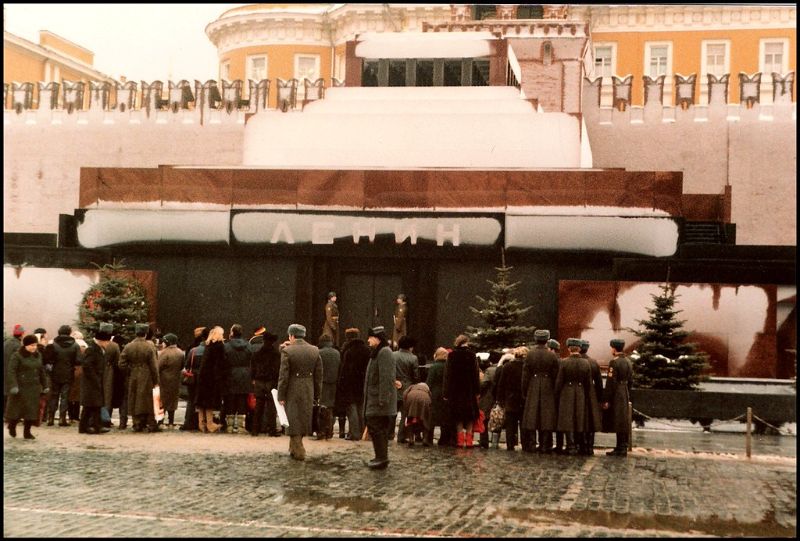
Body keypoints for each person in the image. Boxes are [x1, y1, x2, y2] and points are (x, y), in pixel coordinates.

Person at [277, 324, 323, 461]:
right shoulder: (315, 350)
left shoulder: (287, 351)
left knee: (293, 419)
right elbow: (319, 375)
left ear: (291, 336)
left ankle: (298, 451)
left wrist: (281, 395)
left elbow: (283, 375)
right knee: (302, 418)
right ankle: (293, 447)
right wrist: (317, 394)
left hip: (292, 389)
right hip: (308, 388)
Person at [363, 326, 398, 469]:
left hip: (379, 402)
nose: (368, 340)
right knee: (376, 429)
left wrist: (383, 399)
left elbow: (386, 377)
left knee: (377, 429)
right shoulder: (378, 352)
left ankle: (381, 458)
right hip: (375, 400)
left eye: (370, 337)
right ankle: (380, 457)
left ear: (377, 338)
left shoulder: (384, 352)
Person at [521, 330, 560, 453]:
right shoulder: (552, 355)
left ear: (536, 339)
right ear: (547, 340)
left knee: (532, 416)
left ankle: (532, 444)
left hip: (533, 385)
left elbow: (525, 375)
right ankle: (545, 445)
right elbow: (556, 375)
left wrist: (525, 390)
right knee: (546, 417)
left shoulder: (530, 354)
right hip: (548, 387)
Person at [120, 323, 161, 433]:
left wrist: (130, 371)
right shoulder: (149, 346)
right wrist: (156, 380)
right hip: (147, 375)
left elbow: (121, 364)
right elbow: (154, 365)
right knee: (147, 400)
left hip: (133, 375)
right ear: (146, 333)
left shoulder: (129, 346)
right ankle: (150, 423)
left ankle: (136, 423)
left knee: (134, 398)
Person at [6, 334, 48, 439]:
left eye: (35, 345)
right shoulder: (17, 356)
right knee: (16, 410)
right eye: (31, 345)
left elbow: (41, 371)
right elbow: (11, 371)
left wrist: (45, 384)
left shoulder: (38, 355)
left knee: (31, 411)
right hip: (20, 388)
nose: (34, 347)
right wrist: (13, 385)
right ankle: (12, 426)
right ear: (25, 345)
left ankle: (27, 432)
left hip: (33, 387)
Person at [555, 338, 592, 455]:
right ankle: (577, 445)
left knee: (567, 419)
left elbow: (559, 381)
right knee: (579, 418)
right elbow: (588, 383)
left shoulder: (564, 362)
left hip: (567, 393)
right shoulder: (586, 363)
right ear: (579, 348)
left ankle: (570, 445)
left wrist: (557, 394)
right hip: (580, 392)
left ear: (569, 348)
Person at [444, 335, 481, 448]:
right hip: (469, 390)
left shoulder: (452, 355)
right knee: (470, 416)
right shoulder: (471, 355)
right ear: (466, 342)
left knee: (458, 416)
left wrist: (446, 392)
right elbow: (476, 374)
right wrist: (477, 391)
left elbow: (448, 375)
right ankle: (469, 441)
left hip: (455, 390)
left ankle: (460, 440)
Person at [335, 327, 371, 441]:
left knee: (351, 408)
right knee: (361, 407)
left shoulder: (347, 350)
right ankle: (361, 431)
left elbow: (345, 369)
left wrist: (341, 383)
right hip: (362, 383)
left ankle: (354, 433)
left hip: (350, 384)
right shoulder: (366, 350)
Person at [79, 323, 112, 435]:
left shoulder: (98, 349)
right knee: (90, 406)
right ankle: (85, 427)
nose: (108, 344)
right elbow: (87, 366)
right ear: (102, 341)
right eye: (107, 341)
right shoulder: (92, 350)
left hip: (96, 381)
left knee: (96, 405)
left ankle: (96, 426)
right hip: (91, 383)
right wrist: (95, 378)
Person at [44, 325, 80, 427]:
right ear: (69, 332)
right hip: (68, 373)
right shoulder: (75, 345)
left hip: (55, 373)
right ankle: (62, 418)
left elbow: (47, 359)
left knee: (54, 395)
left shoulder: (53, 344)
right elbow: (79, 360)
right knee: (65, 396)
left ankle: (50, 418)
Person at [603, 338, 633, 457]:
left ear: (614, 348)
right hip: (624, 391)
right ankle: (622, 446)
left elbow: (611, 382)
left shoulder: (614, 362)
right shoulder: (628, 361)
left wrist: (606, 399)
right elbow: (631, 380)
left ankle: (620, 447)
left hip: (617, 393)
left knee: (618, 420)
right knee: (623, 420)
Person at [250, 330, 281, 437]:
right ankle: (271, 430)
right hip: (271, 382)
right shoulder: (276, 354)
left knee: (259, 407)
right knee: (271, 408)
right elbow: (277, 370)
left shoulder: (257, 354)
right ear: (273, 342)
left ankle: (255, 429)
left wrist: (253, 378)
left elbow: (252, 369)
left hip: (259, 382)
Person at [494, 346, 526, 451]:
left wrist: (500, 399)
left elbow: (501, 384)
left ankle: (510, 445)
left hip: (510, 399)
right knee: (523, 424)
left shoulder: (507, 366)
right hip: (523, 399)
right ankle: (525, 445)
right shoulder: (526, 367)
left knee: (510, 424)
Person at [195, 326, 226, 433]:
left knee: (202, 401)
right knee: (209, 402)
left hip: (203, 376)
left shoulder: (208, 345)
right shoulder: (219, 346)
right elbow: (221, 363)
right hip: (212, 377)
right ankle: (210, 424)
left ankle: (201, 423)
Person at [224, 324, 252, 433]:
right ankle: (241, 427)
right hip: (245, 375)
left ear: (232, 333)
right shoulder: (248, 345)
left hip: (230, 374)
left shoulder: (226, 346)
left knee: (230, 400)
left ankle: (229, 426)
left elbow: (223, 360)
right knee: (242, 400)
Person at [179, 327, 208, 432]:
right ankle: (203, 422)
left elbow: (187, 364)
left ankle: (189, 422)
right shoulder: (208, 348)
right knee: (204, 401)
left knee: (191, 400)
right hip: (204, 378)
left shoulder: (192, 348)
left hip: (193, 378)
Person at [392, 335, 419, 443]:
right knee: (405, 414)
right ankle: (401, 436)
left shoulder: (392, 355)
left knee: (392, 413)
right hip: (407, 388)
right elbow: (416, 376)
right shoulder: (413, 358)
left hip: (393, 386)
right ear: (410, 346)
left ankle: (389, 434)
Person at [580, 340, 604, 456]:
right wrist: (599, 398)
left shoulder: (577, 361)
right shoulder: (593, 363)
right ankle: (589, 446)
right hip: (591, 394)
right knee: (590, 419)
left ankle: (581, 445)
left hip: (579, 394)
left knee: (580, 418)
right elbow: (599, 383)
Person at [426, 347, 452, 446]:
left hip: (435, 394)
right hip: (446, 394)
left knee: (432, 417)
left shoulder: (434, 367)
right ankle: (444, 439)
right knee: (445, 417)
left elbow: (429, 382)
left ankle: (429, 439)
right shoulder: (449, 366)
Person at [157, 333, 184, 428]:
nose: (162, 344)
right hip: (175, 380)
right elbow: (181, 366)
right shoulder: (180, 352)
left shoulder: (163, 353)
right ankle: (171, 422)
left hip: (163, 380)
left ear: (168, 342)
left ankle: (160, 422)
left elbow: (158, 367)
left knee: (162, 401)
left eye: (164, 342)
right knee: (173, 401)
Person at [317, 334, 340, 440]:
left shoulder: (319, 353)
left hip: (322, 383)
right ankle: (329, 431)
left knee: (322, 407)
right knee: (330, 407)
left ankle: (322, 431)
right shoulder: (337, 353)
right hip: (334, 383)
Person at [102, 335, 128, 429]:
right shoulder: (118, 347)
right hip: (120, 376)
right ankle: (122, 422)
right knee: (123, 399)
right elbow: (119, 361)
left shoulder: (105, 345)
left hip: (108, 375)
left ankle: (106, 421)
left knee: (107, 398)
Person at [478, 350, 500, 449]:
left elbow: (484, 384)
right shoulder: (502, 368)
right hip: (499, 398)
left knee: (484, 420)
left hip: (488, 397)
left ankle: (484, 441)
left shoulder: (490, 370)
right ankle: (495, 442)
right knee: (498, 420)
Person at [4, 324, 25, 417]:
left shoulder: (6, 342)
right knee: (11, 394)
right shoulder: (18, 345)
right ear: (22, 334)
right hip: (12, 372)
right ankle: (9, 414)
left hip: (5, 370)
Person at [402, 382, 432, 446]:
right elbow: (430, 399)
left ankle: (411, 439)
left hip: (411, 397)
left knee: (410, 418)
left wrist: (406, 406)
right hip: (425, 399)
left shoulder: (412, 386)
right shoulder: (427, 389)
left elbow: (404, 393)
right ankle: (425, 439)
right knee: (425, 419)